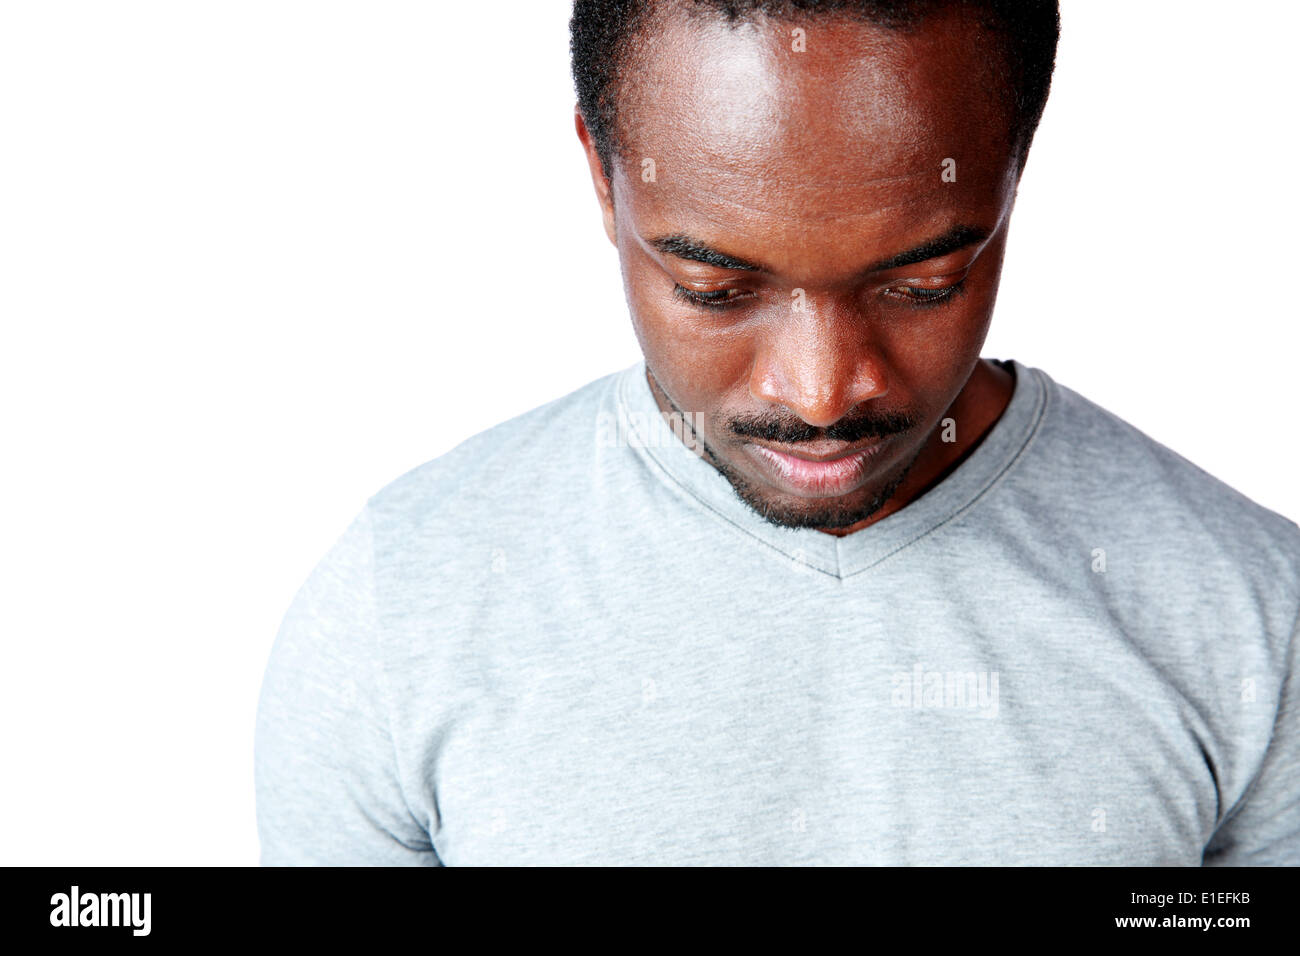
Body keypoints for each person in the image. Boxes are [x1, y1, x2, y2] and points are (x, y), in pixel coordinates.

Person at [254, 0, 1300, 865]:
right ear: (598, 172)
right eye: (715, 288)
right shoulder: (404, 606)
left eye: (920, 282)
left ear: (1015, 167)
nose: (819, 390)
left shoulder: (1251, 619)